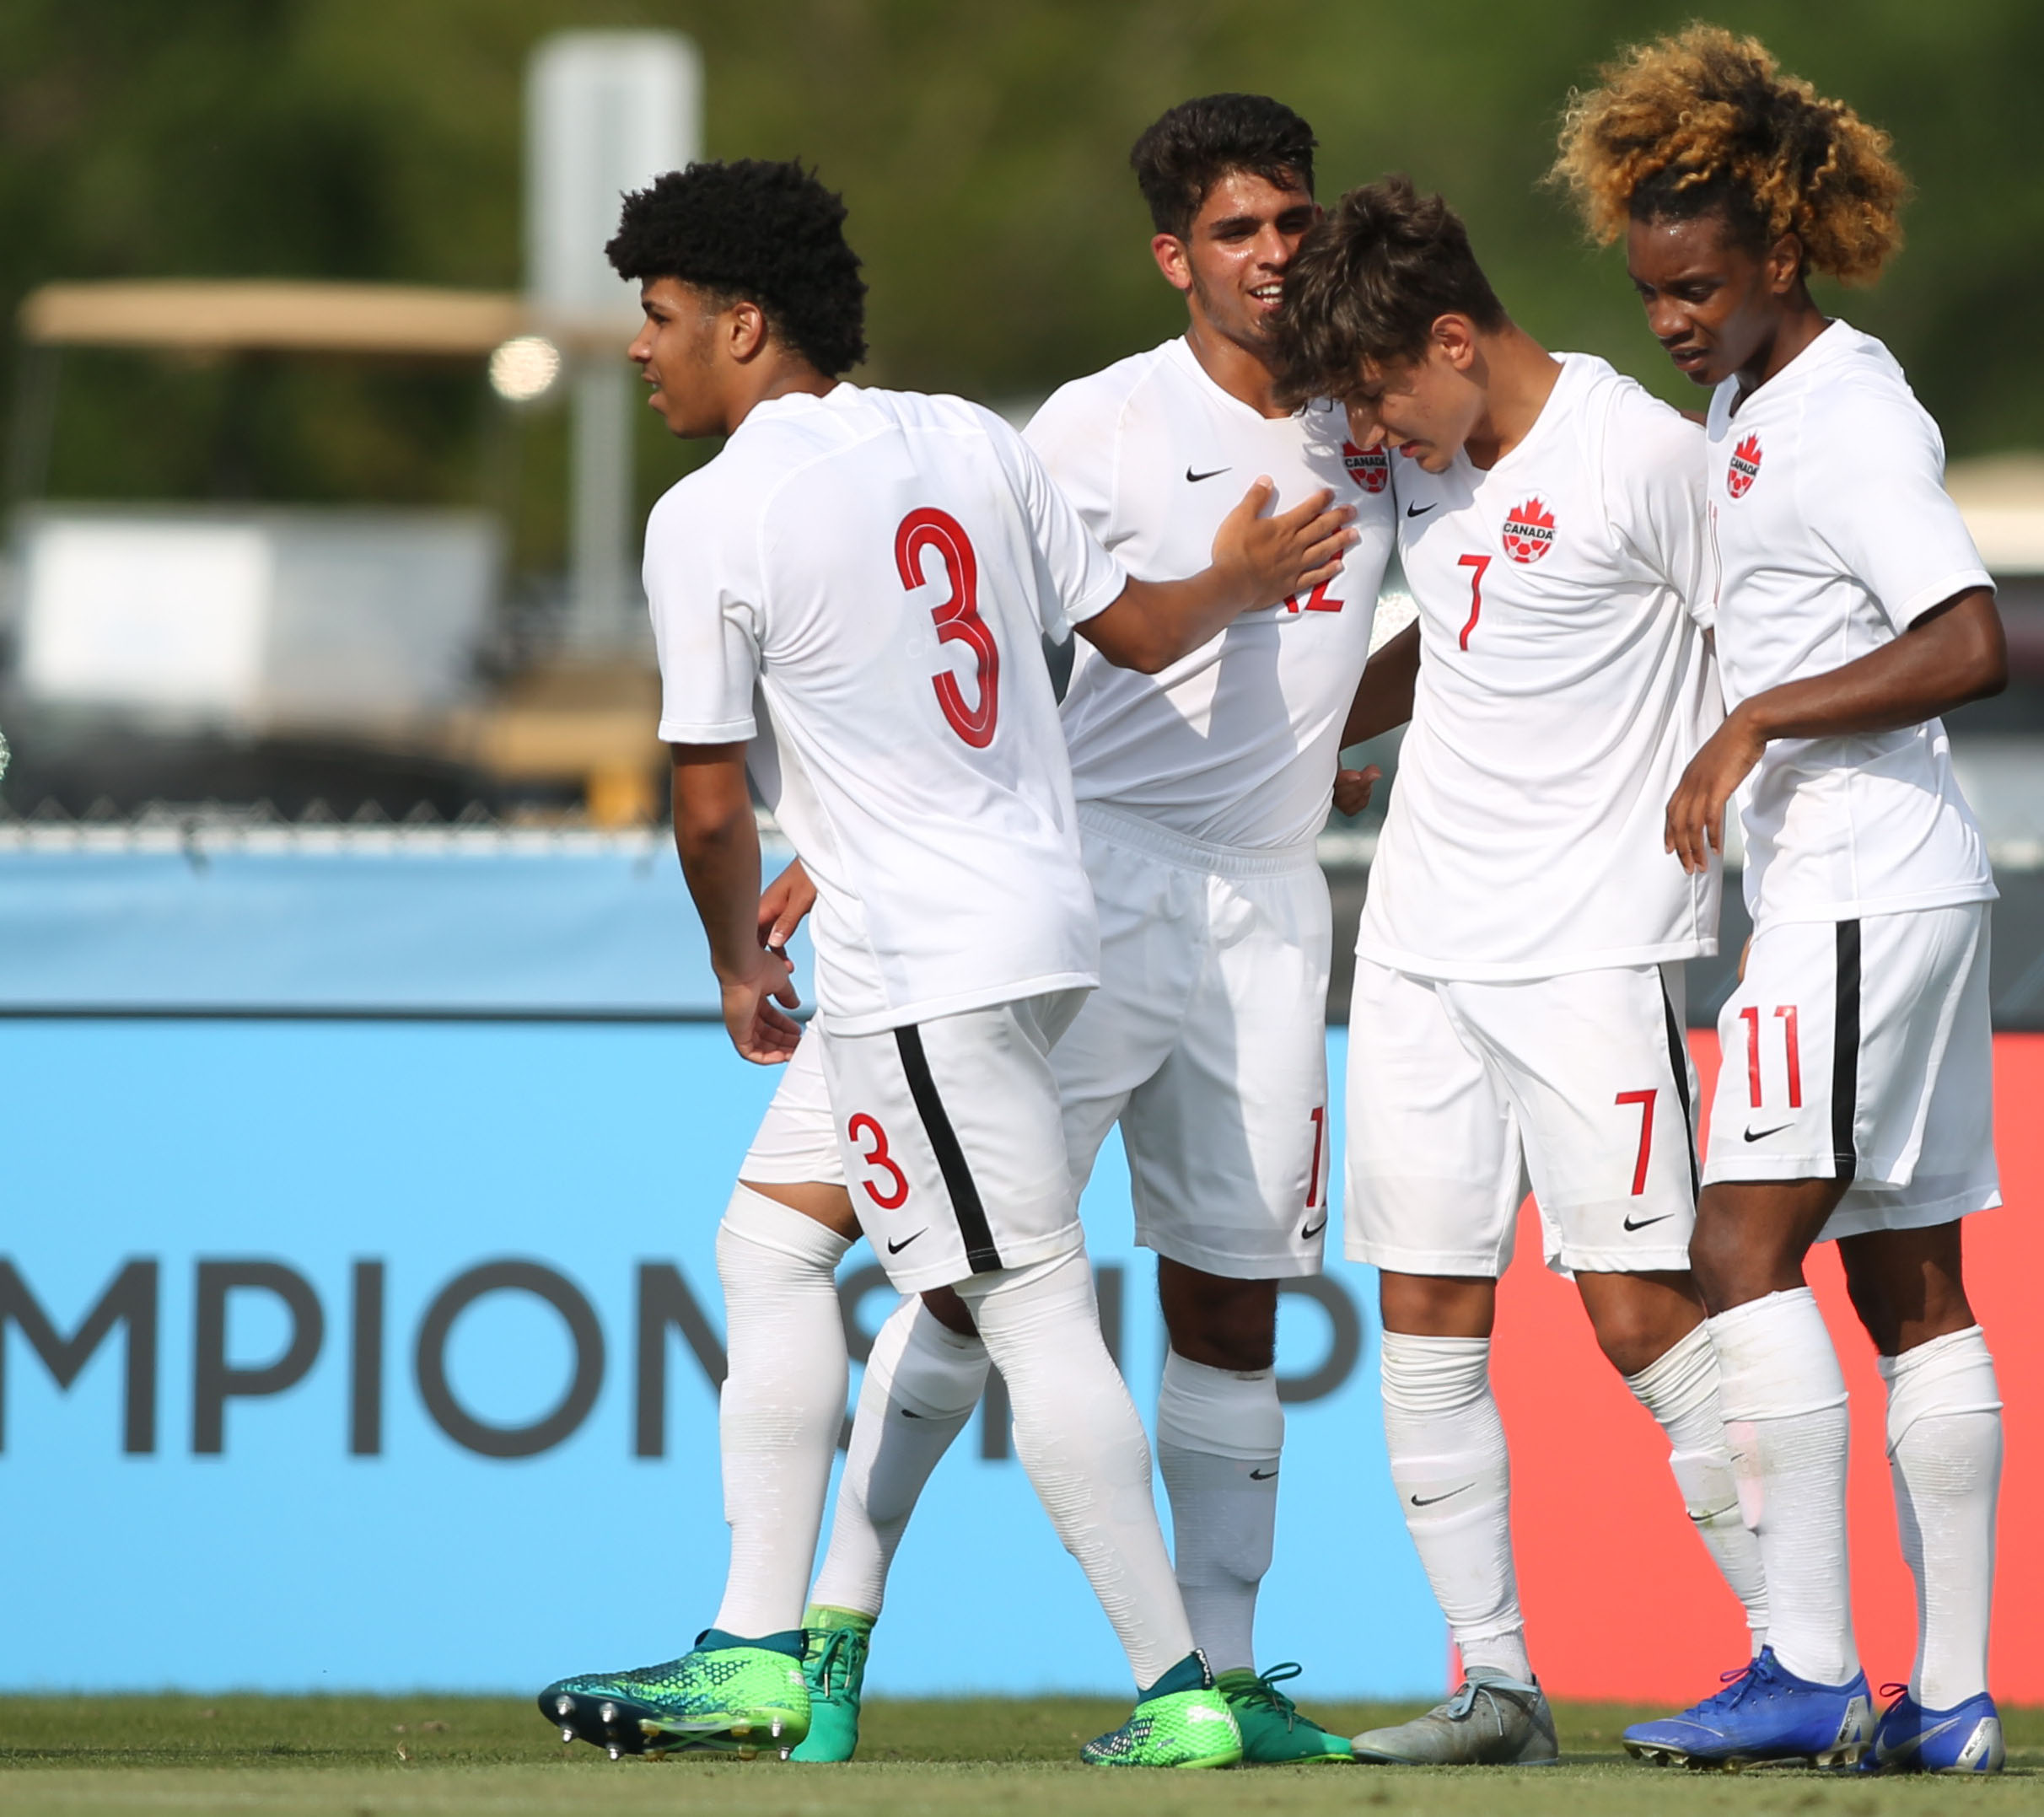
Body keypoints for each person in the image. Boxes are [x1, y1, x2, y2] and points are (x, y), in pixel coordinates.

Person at [530, 156, 1352, 1770]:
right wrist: (1240, 582)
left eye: (661, 314)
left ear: (743, 324)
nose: (640, 346)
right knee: (771, 1242)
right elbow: (1128, 636)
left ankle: (1178, 1687)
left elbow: (709, 800)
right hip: (1038, 920)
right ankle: (755, 1643)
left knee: (1025, 1301)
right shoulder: (967, 435)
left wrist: (734, 964)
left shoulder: (712, 511)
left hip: (918, 955)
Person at [778, 93, 1398, 1766]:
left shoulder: (1373, 415)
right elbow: (959, 643)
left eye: (1291, 221)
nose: (1272, 254)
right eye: (1236, 230)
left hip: (1272, 903)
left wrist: (1331, 728)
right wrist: (850, 835)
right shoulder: (1101, 422)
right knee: (977, 1283)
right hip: (1098, 888)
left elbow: (1436, 616)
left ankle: (1221, 1680)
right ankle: (833, 1628)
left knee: (1236, 1303)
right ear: (1172, 257)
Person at [1551, 26, 2012, 1775]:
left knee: (1735, 1249)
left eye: (1698, 288)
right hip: (1886, 882)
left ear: (1781, 257)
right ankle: (1949, 1704)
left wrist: (1755, 720)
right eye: (1652, 292)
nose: (1672, 319)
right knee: (1909, 1283)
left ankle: (1808, 1666)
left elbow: (1969, 639)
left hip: (1861, 887)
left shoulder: (1844, 417)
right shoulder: (1751, 405)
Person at [1265, 175, 1768, 1767]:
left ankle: (1805, 1656)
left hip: (1588, 953)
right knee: (1423, 1310)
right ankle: (1495, 1687)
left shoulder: (1642, 456)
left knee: (1636, 1315)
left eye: (1377, 396)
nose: (1372, 434)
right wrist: (1336, 729)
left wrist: (1743, 793)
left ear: (1454, 339)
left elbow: (1764, 644)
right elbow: (1464, 627)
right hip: (1419, 946)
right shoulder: (1437, 463)